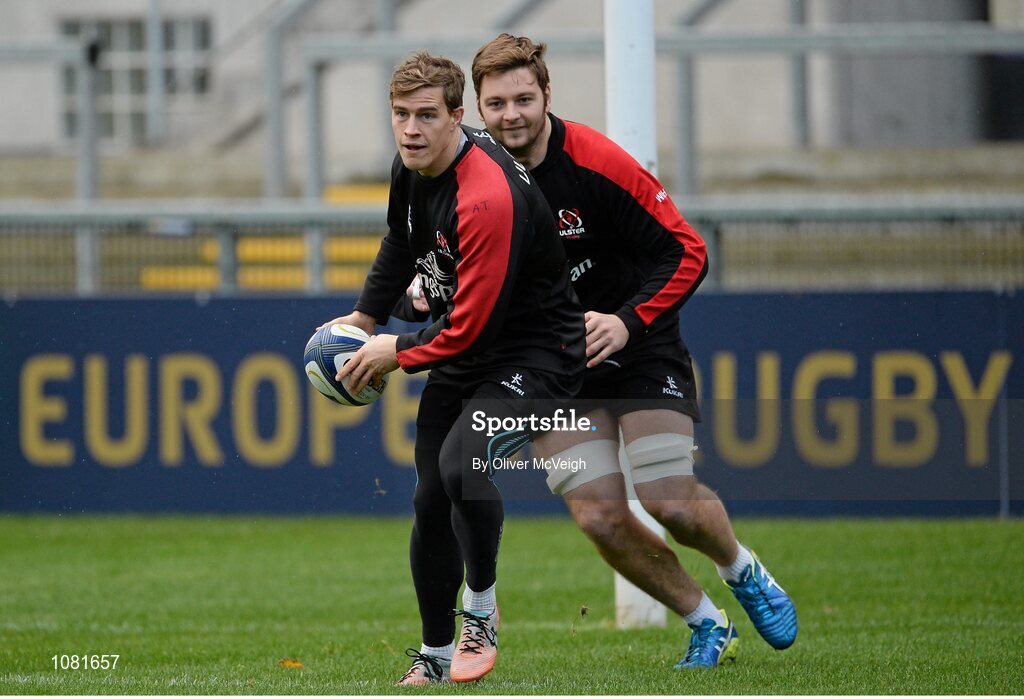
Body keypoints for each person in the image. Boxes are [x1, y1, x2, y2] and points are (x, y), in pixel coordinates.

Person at [466, 33, 798, 669]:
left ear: (547, 96)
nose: (511, 115)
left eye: (524, 99)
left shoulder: (595, 160)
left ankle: (743, 569)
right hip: (555, 368)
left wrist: (627, 321)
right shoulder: (476, 178)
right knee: (599, 518)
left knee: (670, 499)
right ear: (480, 108)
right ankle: (706, 623)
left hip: (640, 347)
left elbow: (688, 249)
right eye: (497, 102)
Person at [319, 51, 585, 685]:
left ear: (458, 118)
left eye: (426, 116)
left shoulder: (487, 195)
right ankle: (435, 655)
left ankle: (482, 609)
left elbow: (474, 324)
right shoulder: (411, 166)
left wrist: (396, 349)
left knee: (463, 466)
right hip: (468, 348)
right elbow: (397, 240)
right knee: (429, 498)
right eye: (401, 115)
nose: (411, 129)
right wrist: (364, 317)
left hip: (536, 353)